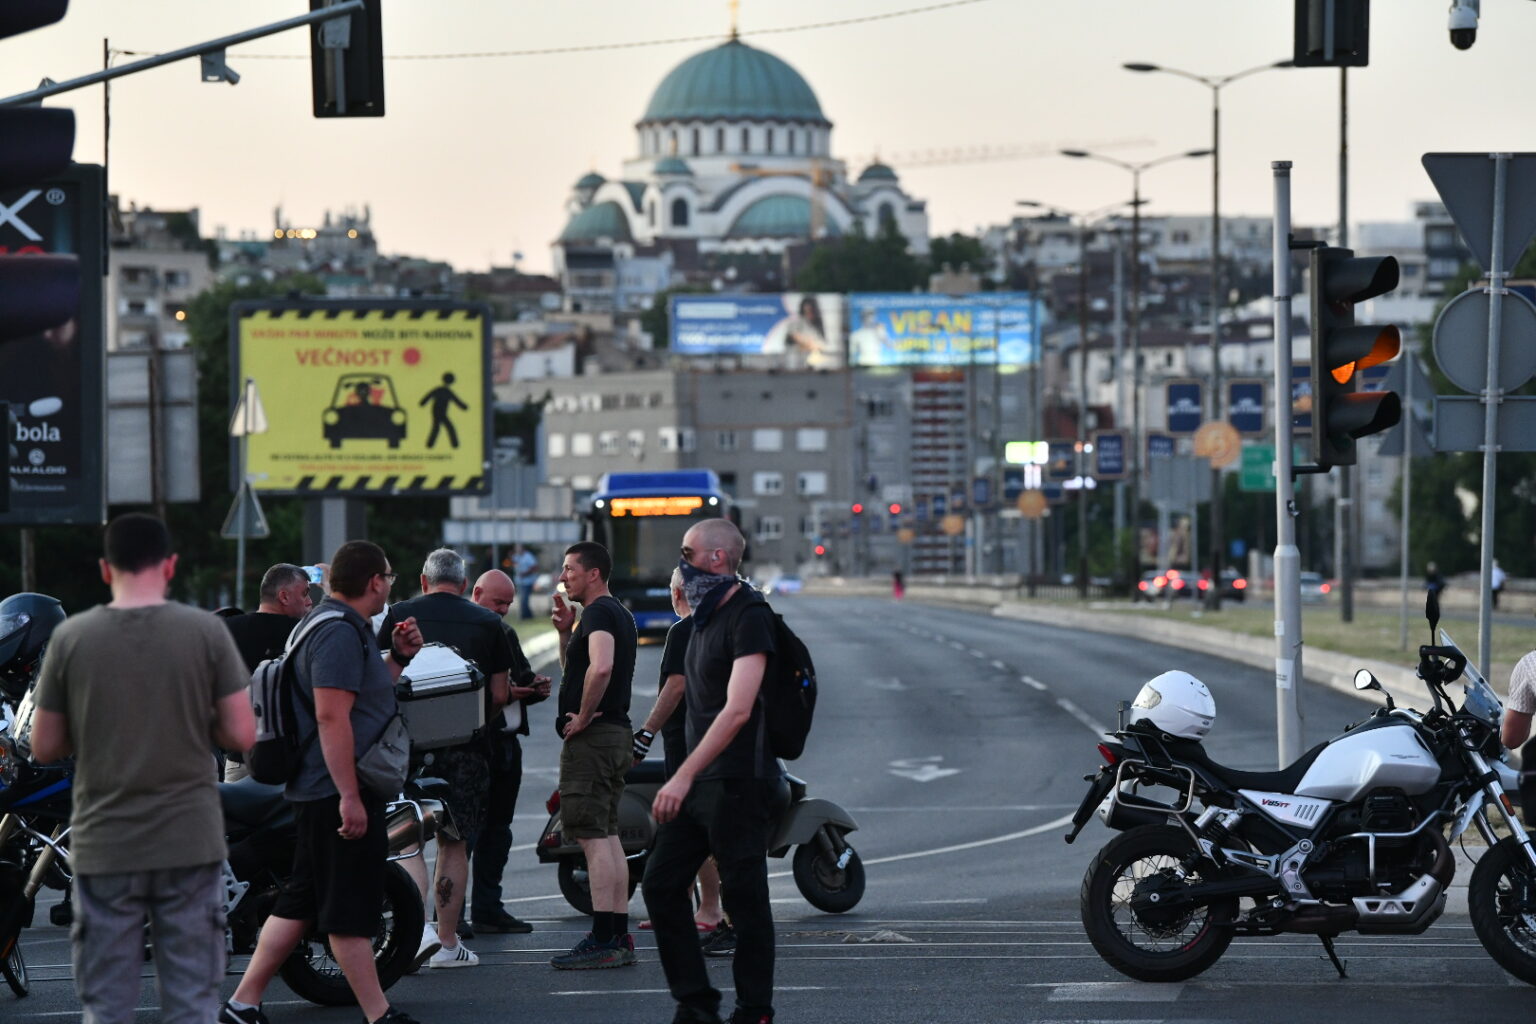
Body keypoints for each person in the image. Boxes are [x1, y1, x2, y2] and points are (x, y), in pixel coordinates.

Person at [30, 513, 256, 1024]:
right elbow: (242, 735)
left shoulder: (72, 640)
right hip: (188, 844)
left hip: (106, 844)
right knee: (192, 1004)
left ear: (106, 569)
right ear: (170, 565)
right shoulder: (205, 632)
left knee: (107, 1005)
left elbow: (44, 746)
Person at [221, 540, 424, 1024]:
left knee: (300, 903)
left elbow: (364, 699)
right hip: (334, 790)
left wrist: (397, 657)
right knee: (348, 909)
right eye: (389, 577)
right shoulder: (334, 632)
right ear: (375, 581)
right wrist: (350, 797)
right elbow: (333, 718)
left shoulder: (338, 627)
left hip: (324, 789)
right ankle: (380, 1015)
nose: (390, 585)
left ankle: (241, 1004)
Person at [642, 518, 778, 1024]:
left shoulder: (750, 615)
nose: (680, 560)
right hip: (701, 780)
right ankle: (696, 1003)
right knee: (660, 883)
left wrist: (681, 774)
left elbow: (738, 709)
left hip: (741, 780)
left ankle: (754, 1010)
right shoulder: (701, 617)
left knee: (746, 901)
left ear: (717, 558)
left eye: (687, 552)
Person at [378, 549, 515, 968]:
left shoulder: (398, 613)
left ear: (424, 581)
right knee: (454, 843)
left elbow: (381, 678)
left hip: (405, 750)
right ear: (463, 583)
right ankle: (449, 942)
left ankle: (414, 933)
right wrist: (476, 725)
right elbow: (499, 695)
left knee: (406, 842)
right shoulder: (491, 623)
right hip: (467, 752)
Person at [549, 541, 639, 969]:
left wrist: (583, 718)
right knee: (607, 835)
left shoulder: (601, 613)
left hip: (597, 737)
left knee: (592, 837)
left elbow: (601, 667)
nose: (562, 577)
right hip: (613, 735)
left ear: (594, 574)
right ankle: (617, 935)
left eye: (569, 569)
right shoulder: (613, 613)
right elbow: (580, 670)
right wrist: (567, 633)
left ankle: (604, 937)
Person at [632, 570, 724, 936]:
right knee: (686, 827)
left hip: (686, 743)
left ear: (677, 593)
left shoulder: (684, 630)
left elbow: (675, 686)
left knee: (692, 827)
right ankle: (681, 906)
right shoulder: (717, 627)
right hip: (706, 740)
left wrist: (645, 733)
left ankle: (710, 908)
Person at [467, 568, 552, 936]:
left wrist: (535, 689)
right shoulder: (470, 630)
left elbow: (522, 677)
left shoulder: (504, 631)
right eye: (498, 602)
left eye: (508, 604)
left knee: (498, 831)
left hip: (505, 745)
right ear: (477, 592)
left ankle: (488, 908)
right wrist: (502, 695)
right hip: (474, 744)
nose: (503, 609)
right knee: (464, 833)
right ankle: (451, 915)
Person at [221, 563, 316, 782]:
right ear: (284, 596)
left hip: (239, 761)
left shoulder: (226, 630)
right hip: (295, 763)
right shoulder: (304, 634)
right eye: (305, 593)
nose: (310, 601)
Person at [513, 545, 538, 620]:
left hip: (527, 582)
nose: (517, 550)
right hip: (519, 582)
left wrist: (525, 574)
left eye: (519, 548)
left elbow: (534, 567)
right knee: (521, 600)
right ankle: (527, 615)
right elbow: (515, 565)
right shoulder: (516, 556)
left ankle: (526, 616)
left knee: (524, 599)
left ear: (522, 548)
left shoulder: (528, 556)